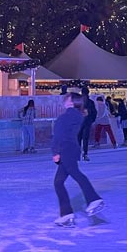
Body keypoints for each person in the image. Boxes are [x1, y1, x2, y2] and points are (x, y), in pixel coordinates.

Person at [51, 93, 105, 228]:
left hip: (65, 149)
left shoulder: (65, 117)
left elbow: (58, 135)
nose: (65, 100)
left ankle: (94, 198)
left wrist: (55, 152)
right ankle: (66, 215)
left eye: (67, 98)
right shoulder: (78, 116)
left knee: (76, 174)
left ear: (71, 102)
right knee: (58, 182)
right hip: (72, 149)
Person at [78, 87, 96, 162]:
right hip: (87, 122)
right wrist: (91, 120)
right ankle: (85, 154)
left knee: (78, 138)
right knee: (85, 139)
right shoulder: (90, 102)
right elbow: (94, 113)